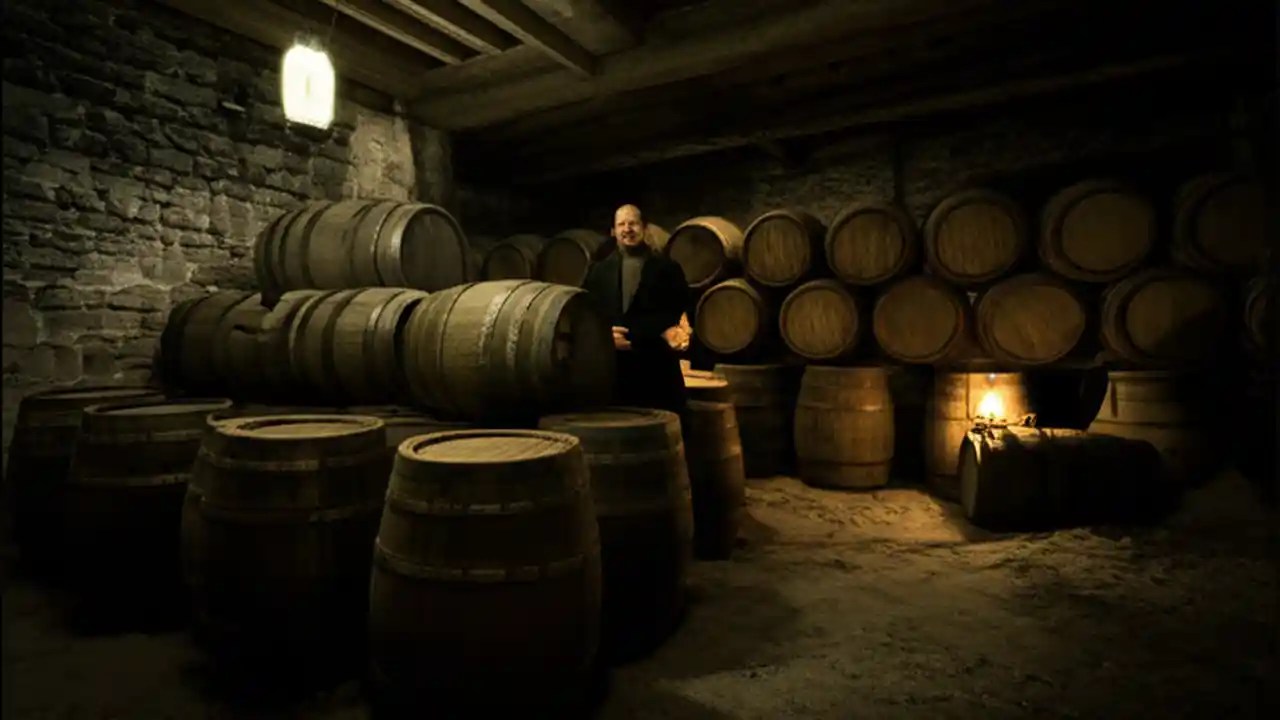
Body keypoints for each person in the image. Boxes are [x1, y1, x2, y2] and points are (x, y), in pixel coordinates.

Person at [583, 204, 691, 417]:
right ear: (613, 231)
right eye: (621, 224)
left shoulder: (666, 268)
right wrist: (605, 337)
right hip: (615, 372)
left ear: (644, 228)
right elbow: (588, 314)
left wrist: (636, 335)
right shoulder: (598, 270)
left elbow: (676, 311)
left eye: (632, 223)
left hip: (656, 368)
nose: (627, 229)